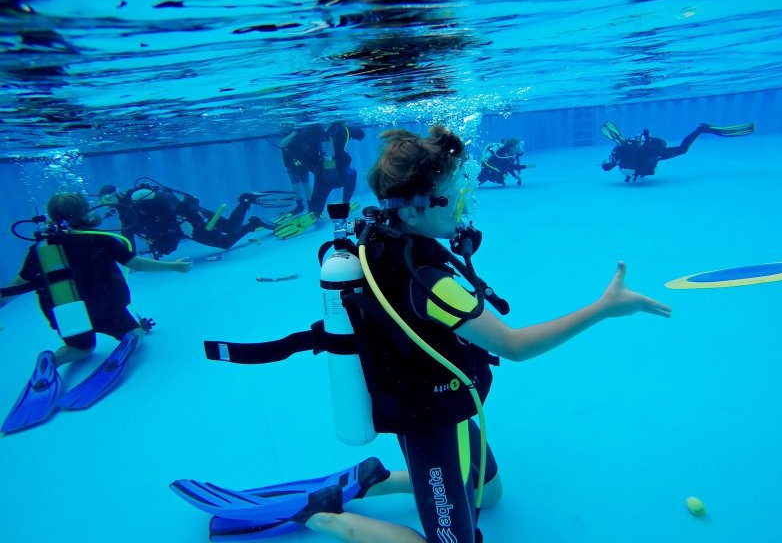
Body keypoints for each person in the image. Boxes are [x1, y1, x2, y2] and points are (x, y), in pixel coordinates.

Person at [172, 125, 671, 542]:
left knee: (491, 495)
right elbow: (514, 346)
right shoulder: (430, 282)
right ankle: (323, 515)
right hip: (428, 418)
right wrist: (605, 308)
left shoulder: (382, 239)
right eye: (453, 195)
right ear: (411, 209)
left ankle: (378, 480)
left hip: (447, 397)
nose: (463, 205)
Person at [0, 192, 192, 434]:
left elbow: (19, 283)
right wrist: (174, 266)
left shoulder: (42, 248)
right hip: (107, 308)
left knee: (81, 349)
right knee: (136, 333)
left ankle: (52, 361)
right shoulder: (100, 239)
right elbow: (135, 263)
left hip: (67, 312)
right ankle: (128, 343)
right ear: (86, 212)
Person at [98, 182, 273, 259]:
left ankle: (250, 212)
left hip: (189, 216)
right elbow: (127, 238)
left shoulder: (137, 196)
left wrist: (182, 220)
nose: (107, 205)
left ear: (115, 194)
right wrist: (130, 260)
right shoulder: (126, 215)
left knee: (228, 235)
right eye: (103, 203)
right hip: (181, 225)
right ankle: (248, 208)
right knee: (228, 232)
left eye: (107, 200)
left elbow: (167, 197)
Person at [274, 121, 366, 239]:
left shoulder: (307, 134)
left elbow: (300, 155)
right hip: (340, 176)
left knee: (316, 209)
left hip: (321, 179)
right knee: (353, 173)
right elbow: (361, 135)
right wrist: (347, 130)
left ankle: (314, 214)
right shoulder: (342, 130)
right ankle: (345, 204)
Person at [600, 121, 755, 182]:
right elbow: (611, 165)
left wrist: (607, 165)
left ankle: (701, 130)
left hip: (649, 154)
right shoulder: (624, 154)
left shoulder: (623, 153)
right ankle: (701, 130)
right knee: (682, 149)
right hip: (651, 155)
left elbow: (611, 164)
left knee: (680, 150)